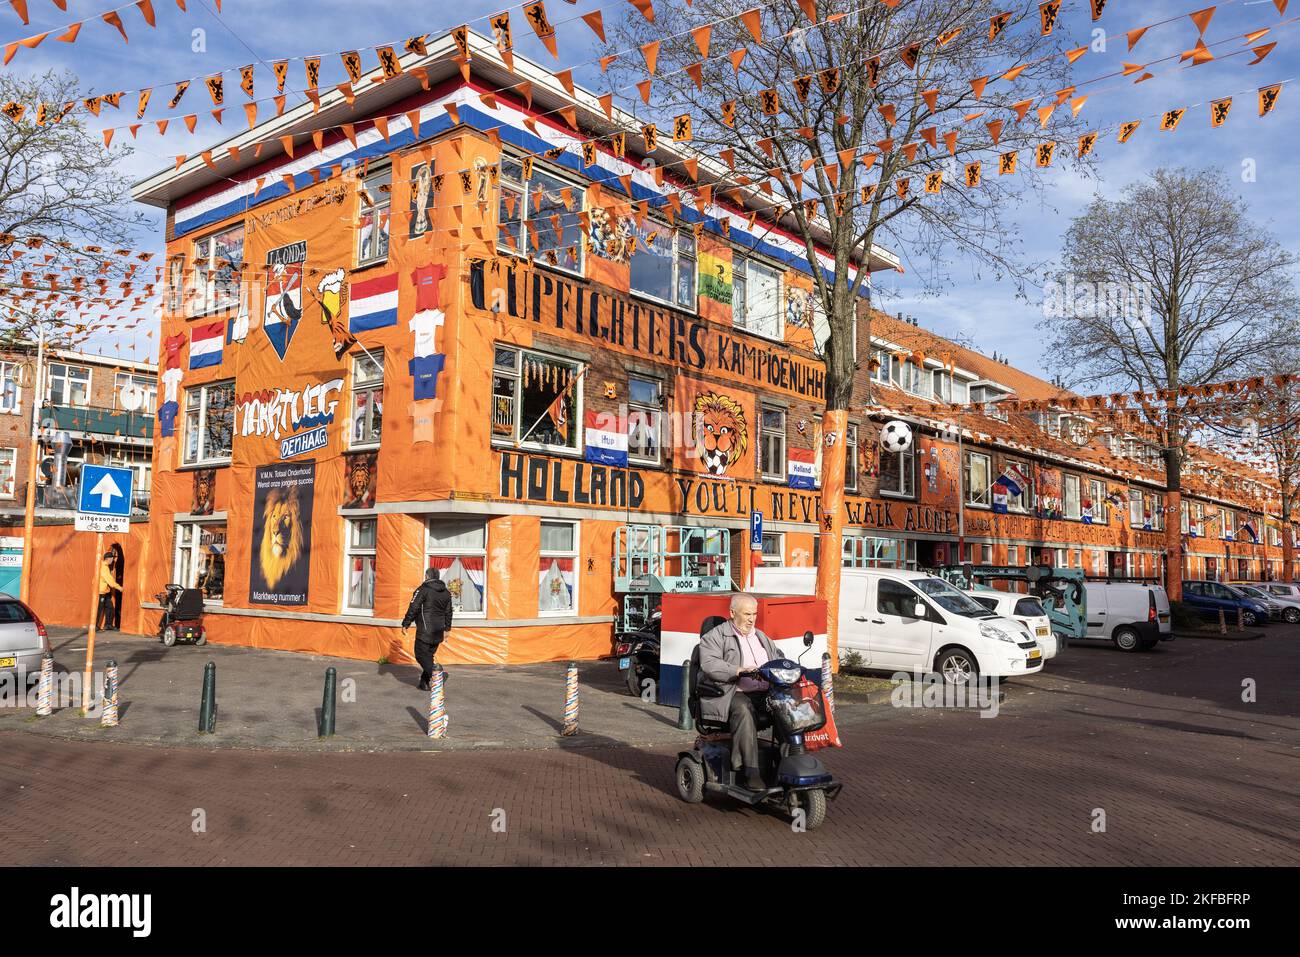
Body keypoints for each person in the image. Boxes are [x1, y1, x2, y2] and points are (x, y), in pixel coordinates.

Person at [698, 594, 780, 791]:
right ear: (732, 613)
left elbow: (778, 657)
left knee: (788, 707)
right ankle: (750, 771)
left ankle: (791, 760)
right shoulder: (715, 636)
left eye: (754, 614)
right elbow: (709, 664)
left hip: (763, 693)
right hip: (729, 693)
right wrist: (738, 670)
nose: (752, 619)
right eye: (747, 614)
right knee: (743, 709)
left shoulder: (761, 637)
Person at [402, 566, 454, 690]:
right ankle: (424, 683)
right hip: (438, 630)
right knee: (428, 656)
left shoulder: (422, 590)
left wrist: (406, 623)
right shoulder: (446, 592)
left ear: (427, 576)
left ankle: (436, 676)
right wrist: (447, 629)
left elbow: (414, 607)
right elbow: (449, 612)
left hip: (425, 630)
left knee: (420, 655)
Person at [96, 551, 122, 632]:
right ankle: (95, 626)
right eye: (112, 558)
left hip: (104, 591)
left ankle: (108, 624)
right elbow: (110, 581)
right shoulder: (104, 568)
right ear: (108, 559)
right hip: (101, 592)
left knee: (110, 607)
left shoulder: (104, 566)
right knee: (99, 609)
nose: (113, 560)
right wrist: (120, 588)